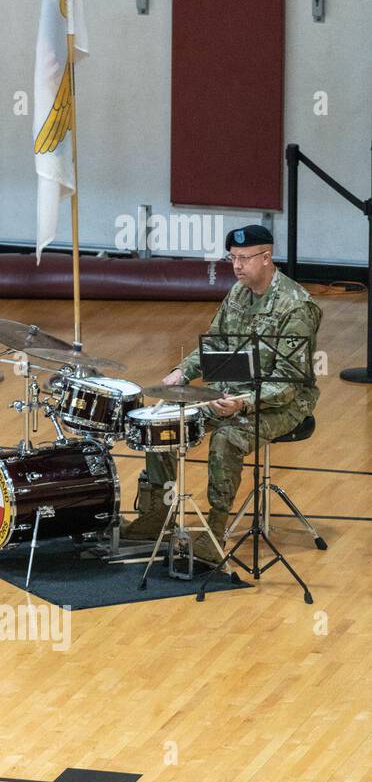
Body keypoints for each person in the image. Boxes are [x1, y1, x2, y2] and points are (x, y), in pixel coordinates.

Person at [123, 225, 322, 561]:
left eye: (244, 258)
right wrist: (181, 371)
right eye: (233, 258)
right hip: (231, 391)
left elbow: (289, 382)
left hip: (282, 404)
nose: (237, 265)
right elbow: (214, 344)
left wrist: (243, 402)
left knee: (227, 439)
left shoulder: (296, 307)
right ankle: (159, 514)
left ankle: (215, 532)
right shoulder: (238, 293)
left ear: (266, 257)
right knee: (164, 420)